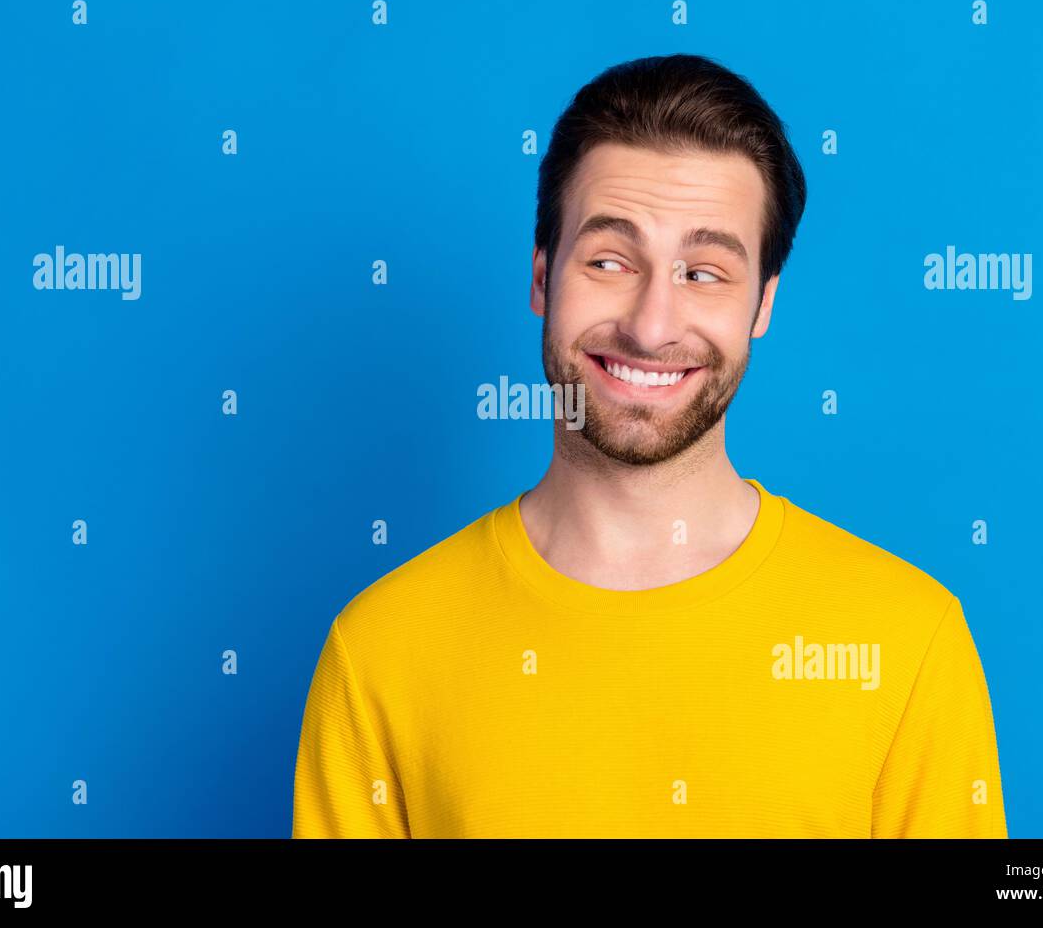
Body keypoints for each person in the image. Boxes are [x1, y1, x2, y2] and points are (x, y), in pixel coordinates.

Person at [292, 53, 1007, 838]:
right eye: (609, 260)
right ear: (541, 279)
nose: (651, 325)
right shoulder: (380, 652)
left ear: (763, 305)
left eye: (704, 273)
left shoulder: (908, 643)